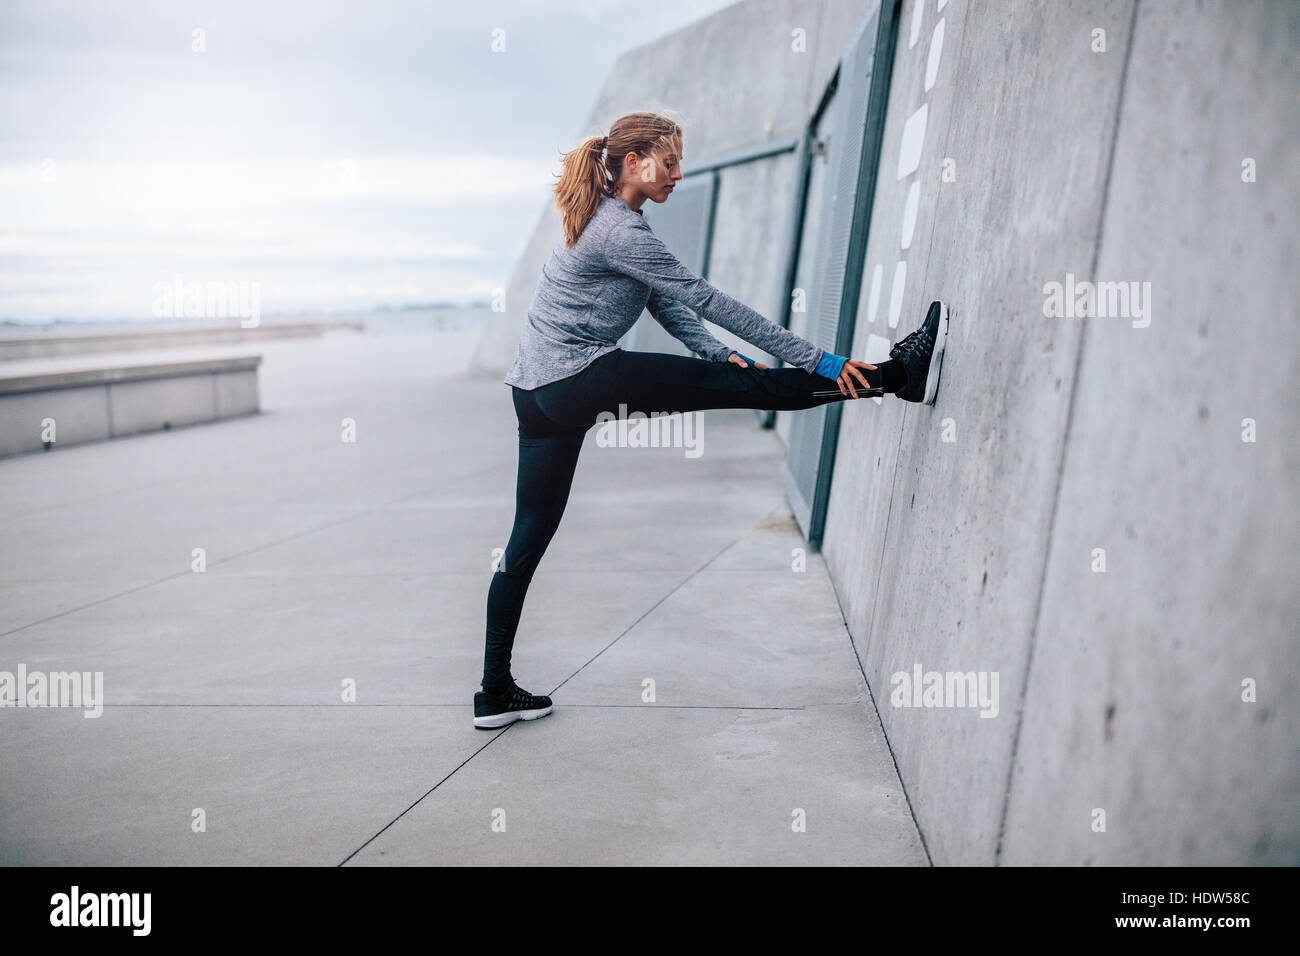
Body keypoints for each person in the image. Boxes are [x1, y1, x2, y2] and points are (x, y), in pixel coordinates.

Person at [475, 110, 948, 729]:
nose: (677, 174)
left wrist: (710, 349)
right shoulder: (622, 230)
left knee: (525, 542)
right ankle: (893, 379)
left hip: (533, 397)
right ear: (634, 161)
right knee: (742, 386)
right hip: (581, 377)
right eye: (668, 162)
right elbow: (705, 298)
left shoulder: (593, 215)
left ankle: (493, 692)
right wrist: (819, 358)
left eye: (678, 163)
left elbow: (665, 301)